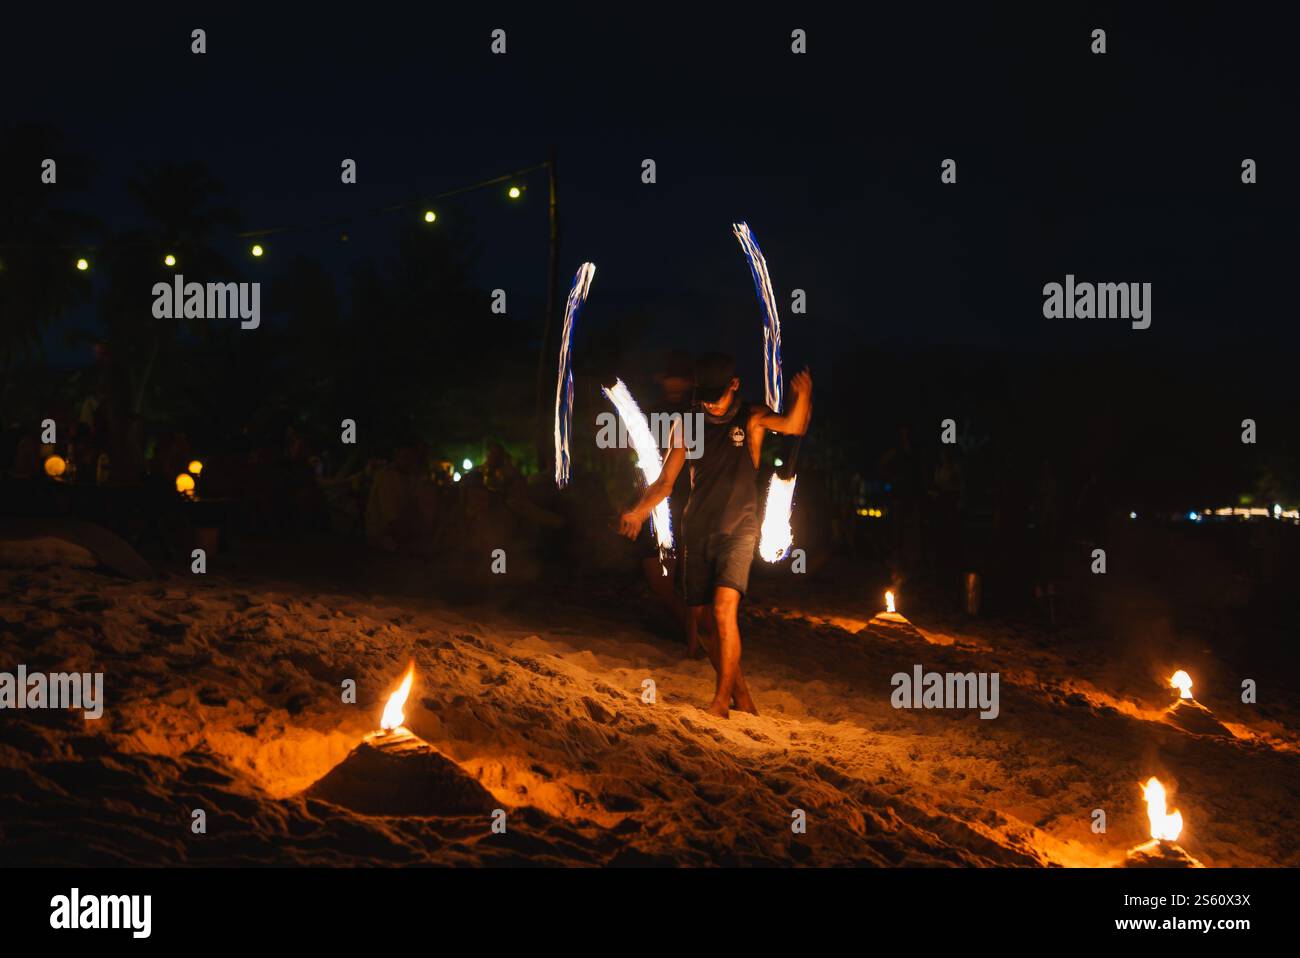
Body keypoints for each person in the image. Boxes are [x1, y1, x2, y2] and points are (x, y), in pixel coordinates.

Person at [618, 352, 812, 718]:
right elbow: (665, 481)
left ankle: (721, 702)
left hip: (738, 530)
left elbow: (794, 426)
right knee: (705, 626)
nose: (708, 401)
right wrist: (639, 511)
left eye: (716, 394)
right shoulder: (688, 423)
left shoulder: (751, 417)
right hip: (698, 530)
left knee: (725, 612)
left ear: (734, 386)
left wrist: (803, 396)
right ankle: (742, 696)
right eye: (703, 394)